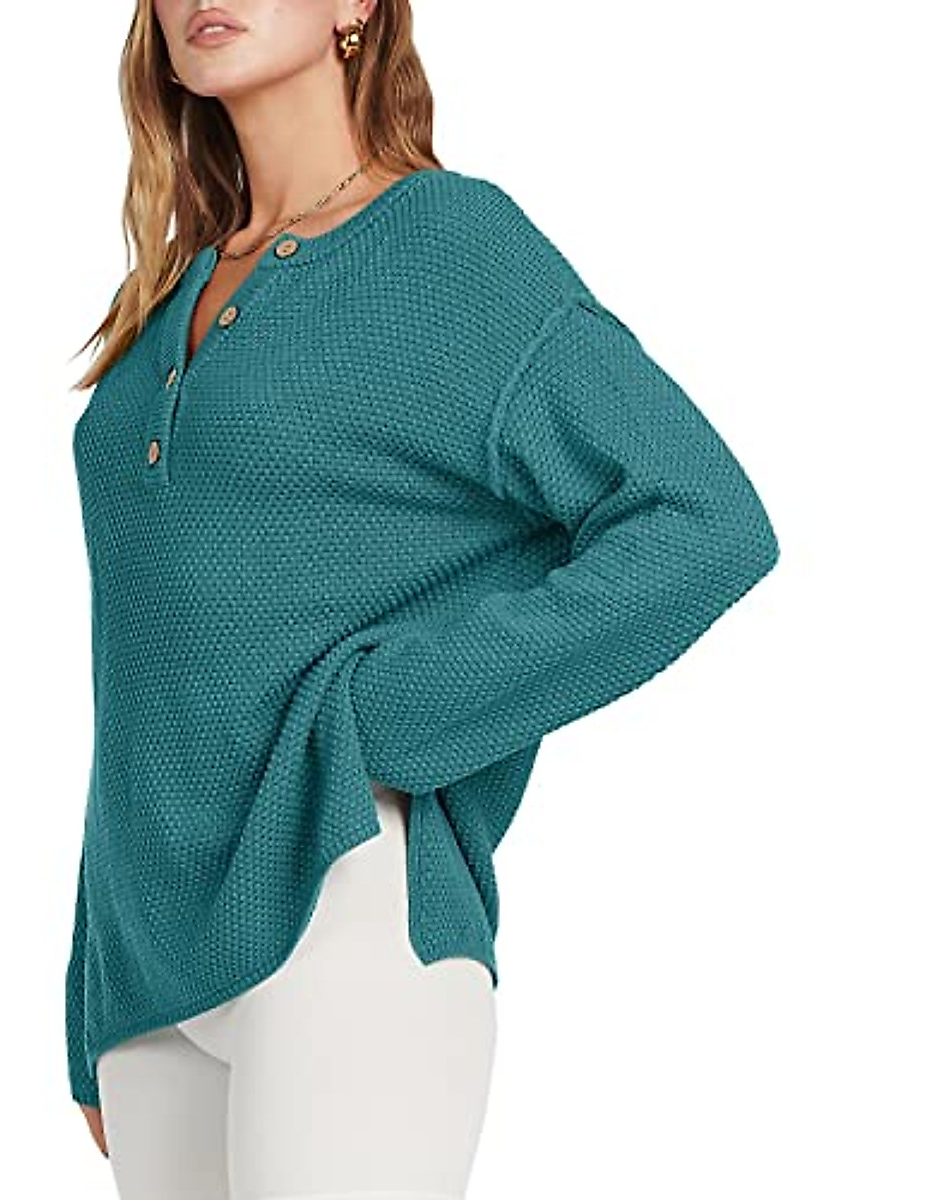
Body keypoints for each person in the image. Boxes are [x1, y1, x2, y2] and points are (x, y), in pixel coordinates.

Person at [65, 2, 781, 1197]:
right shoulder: (168, 290)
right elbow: (141, 664)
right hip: (152, 961)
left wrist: (387, 713)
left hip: (343, 909)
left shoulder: (448, 248)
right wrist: (89, 978)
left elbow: (702, 520)